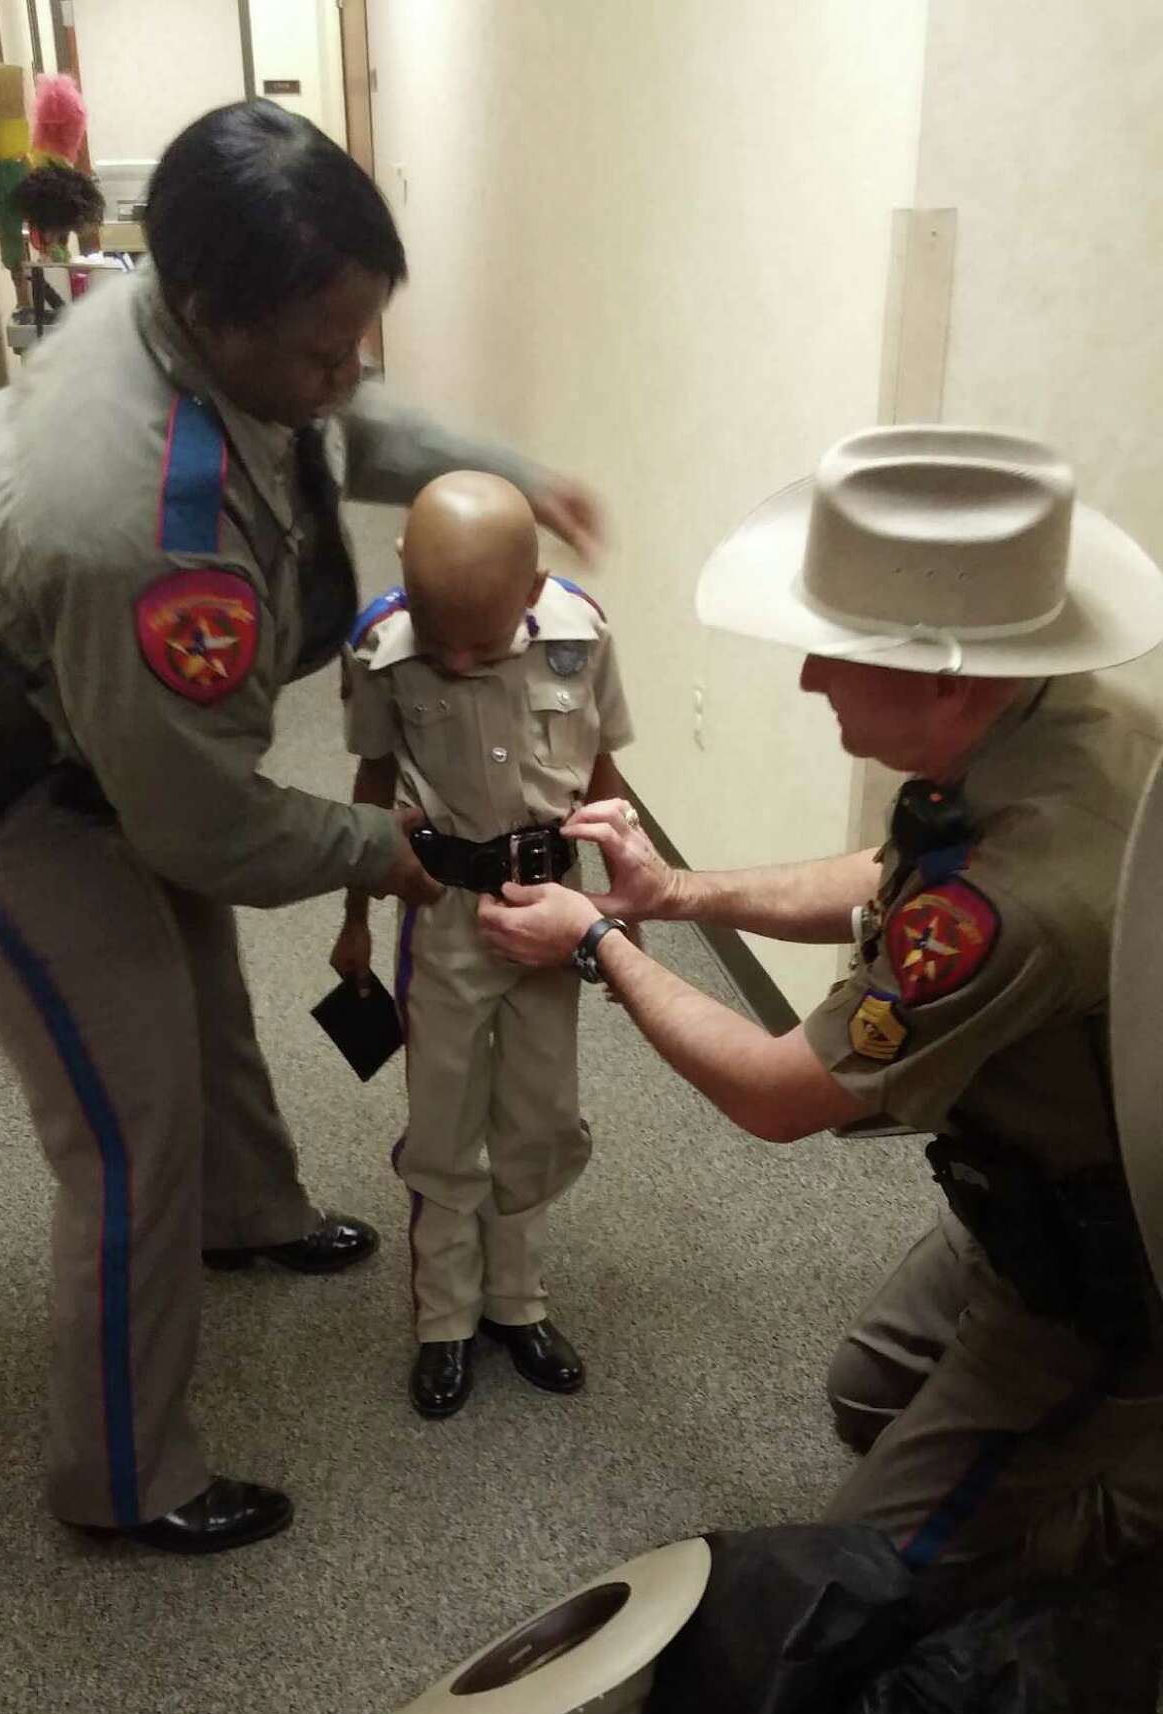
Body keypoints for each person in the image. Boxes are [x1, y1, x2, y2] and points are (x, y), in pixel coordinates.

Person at [0, 100, 600, 1555]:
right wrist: (383, 852)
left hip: (85, 715)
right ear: (208, 310)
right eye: (323, 348)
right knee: (125, 1119)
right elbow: (204, 824)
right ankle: (125, 1479)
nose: (346, 371)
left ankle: (246, 1212)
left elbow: (340, 420)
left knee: (199, 987)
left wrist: (503, 468)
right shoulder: (146, 528)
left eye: (361, 333)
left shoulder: (190, 324)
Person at [479, 424, 1163, 1608]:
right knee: (863, 1394)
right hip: (1027, 1179)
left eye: (835, 653)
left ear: (948, 680)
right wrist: (676, 895)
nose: (807, 679)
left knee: (858, 1586)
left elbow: (777, 1094)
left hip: (1109, 1264)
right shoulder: (1054, 719)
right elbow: (889, 877)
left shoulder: (1015, 902)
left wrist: (595, 942)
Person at [333, 471, 635, 1419]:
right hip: (445, 912)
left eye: (483, 639)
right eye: (442, 638)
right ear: (403, 575)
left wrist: (627, 896)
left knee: (540, 1114)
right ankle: (444, 1317)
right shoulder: (382, 644)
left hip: (553, 909)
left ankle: (516, 1299)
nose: (459, 660)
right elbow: (372, 780)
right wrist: (354, 917)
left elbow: (601, 765)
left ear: (534, 586)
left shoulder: (581, 632)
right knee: (444, 1122)